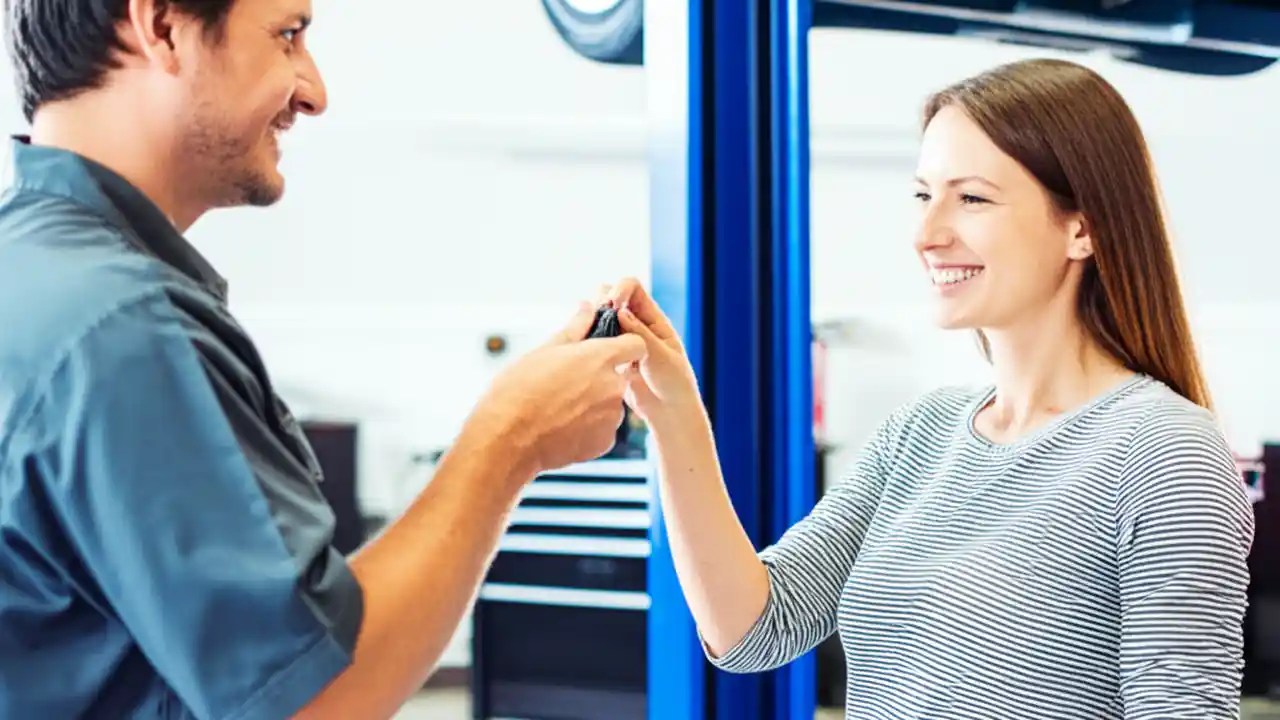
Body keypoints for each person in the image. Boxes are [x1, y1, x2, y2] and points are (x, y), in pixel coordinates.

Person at [0, 1, 644, 718]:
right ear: (160, 26)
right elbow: (314, 701)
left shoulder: (29, 274)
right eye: (287, 35)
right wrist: (510, 440)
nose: (314, 90)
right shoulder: (123, 329)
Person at [607, 58, 1255, 719]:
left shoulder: (1164, 453)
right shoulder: (920, 434)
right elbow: (754, 628)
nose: (927, 235)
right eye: (924, 195)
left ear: (1081, 228)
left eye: (971, 197)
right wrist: (675, 415)